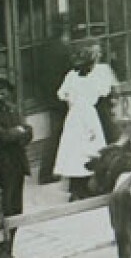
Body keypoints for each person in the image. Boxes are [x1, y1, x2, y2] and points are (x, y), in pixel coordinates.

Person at [0, 75, 31, 258]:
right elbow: (0, 136)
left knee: (16, 209)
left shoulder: (13, 110)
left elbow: (28, 132)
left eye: (3, 89)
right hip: (1, 167)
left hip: (18, 165)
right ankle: (0, 248)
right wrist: (18, 132)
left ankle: (9, 249)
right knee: (3, 209)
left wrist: (19, 132)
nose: (0, 93)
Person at [54, 47, 112, 201]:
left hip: (74, 116)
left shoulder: (71, 76)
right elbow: (104, 91)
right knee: (89, 149)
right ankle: (85, 187)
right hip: (87, 115)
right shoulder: (93, 78)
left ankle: (78, 188)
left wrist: (70, 99)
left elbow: (61, 94)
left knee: (75, 151)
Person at [35, 13, 74, 184]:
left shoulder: (45, 47)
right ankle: (46, 173)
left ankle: (56, 168)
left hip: (50, 97)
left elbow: (38, 73)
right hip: (61, 99)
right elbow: (69, 74)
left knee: (58, 133)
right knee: (57, 134)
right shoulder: (63, 49)